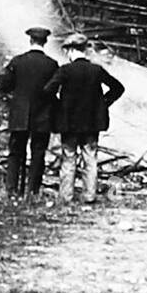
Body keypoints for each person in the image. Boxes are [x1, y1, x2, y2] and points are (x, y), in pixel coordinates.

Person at [43, 34, 125, 205]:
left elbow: (48, 91)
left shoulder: (65, 70)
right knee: (90, 158)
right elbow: (118, 88)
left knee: (68, 159)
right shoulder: (96, 70)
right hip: (91, 123)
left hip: (69, 123)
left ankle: (66, 197)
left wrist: (60, 106)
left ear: (71, 50)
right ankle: (89, 195)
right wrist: (103, 103)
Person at [0, 27, 59, 200]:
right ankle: (33, 191)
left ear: (30, 41)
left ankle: (12, 190)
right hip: (42, 116)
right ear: (45, 43)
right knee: (38, 154)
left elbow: (4, 85)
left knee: (16, 153)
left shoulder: (17, 62)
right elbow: (54, 89)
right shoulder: (52, 64)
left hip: (20, 115)